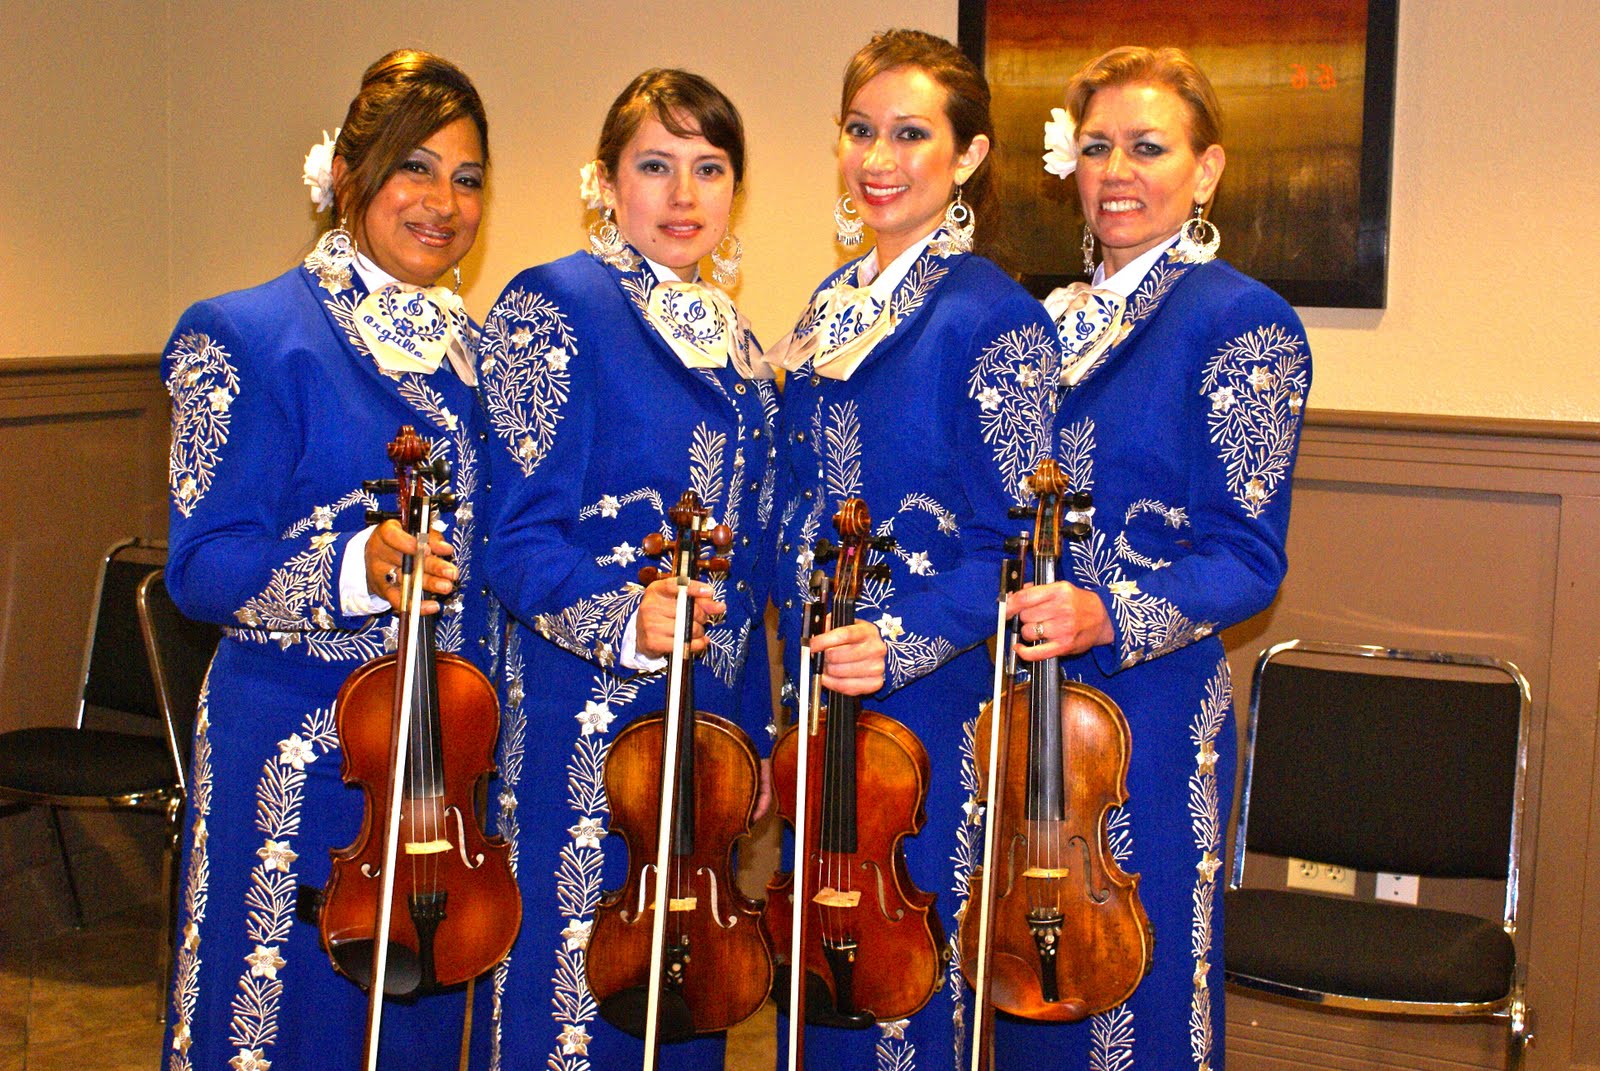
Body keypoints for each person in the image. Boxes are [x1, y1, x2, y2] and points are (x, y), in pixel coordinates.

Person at [161, 50, 497, 1071]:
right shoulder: (244, 334)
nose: (444, 203)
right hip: (299, 764)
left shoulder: (477, 355)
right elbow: (204, 566)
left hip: (445, 775)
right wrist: (353, 570)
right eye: (415, 168)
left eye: (470, 178)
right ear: (345, 176)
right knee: (292, 1025)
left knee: (422, 1021)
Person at [998, 45, 1312, 1068]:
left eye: (1148, 147)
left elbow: (1245, 561)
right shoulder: (1042, 323)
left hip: (1149, 713)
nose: (1117, 171)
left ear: (1206, 170)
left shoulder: (1242, 321)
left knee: (1134, 989)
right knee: (1031, 987)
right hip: (1024, 707)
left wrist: (1107, 612)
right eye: (1096, 147)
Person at [766, 28, 1059, 1070]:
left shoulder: (997, 320)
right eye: (858, 131)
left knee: (901, 986)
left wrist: (899, 638)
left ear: (969, 157)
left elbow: (1022, 552)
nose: (877, 159)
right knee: (815, 975)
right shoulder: (826, 304)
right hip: (817, 692)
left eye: (908, 133)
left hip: (925, 705)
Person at [476, 69, 778, 1071]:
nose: (683, 194)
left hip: (708, 744)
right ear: (605, 181)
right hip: (584, 725)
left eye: (709, 167)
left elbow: (758, 570)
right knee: (576, 1006)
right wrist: (621, 619)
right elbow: (513, 543)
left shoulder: (739, 345)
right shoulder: (549, 305)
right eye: (655, 165)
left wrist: (764, 733)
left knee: (683, 996)